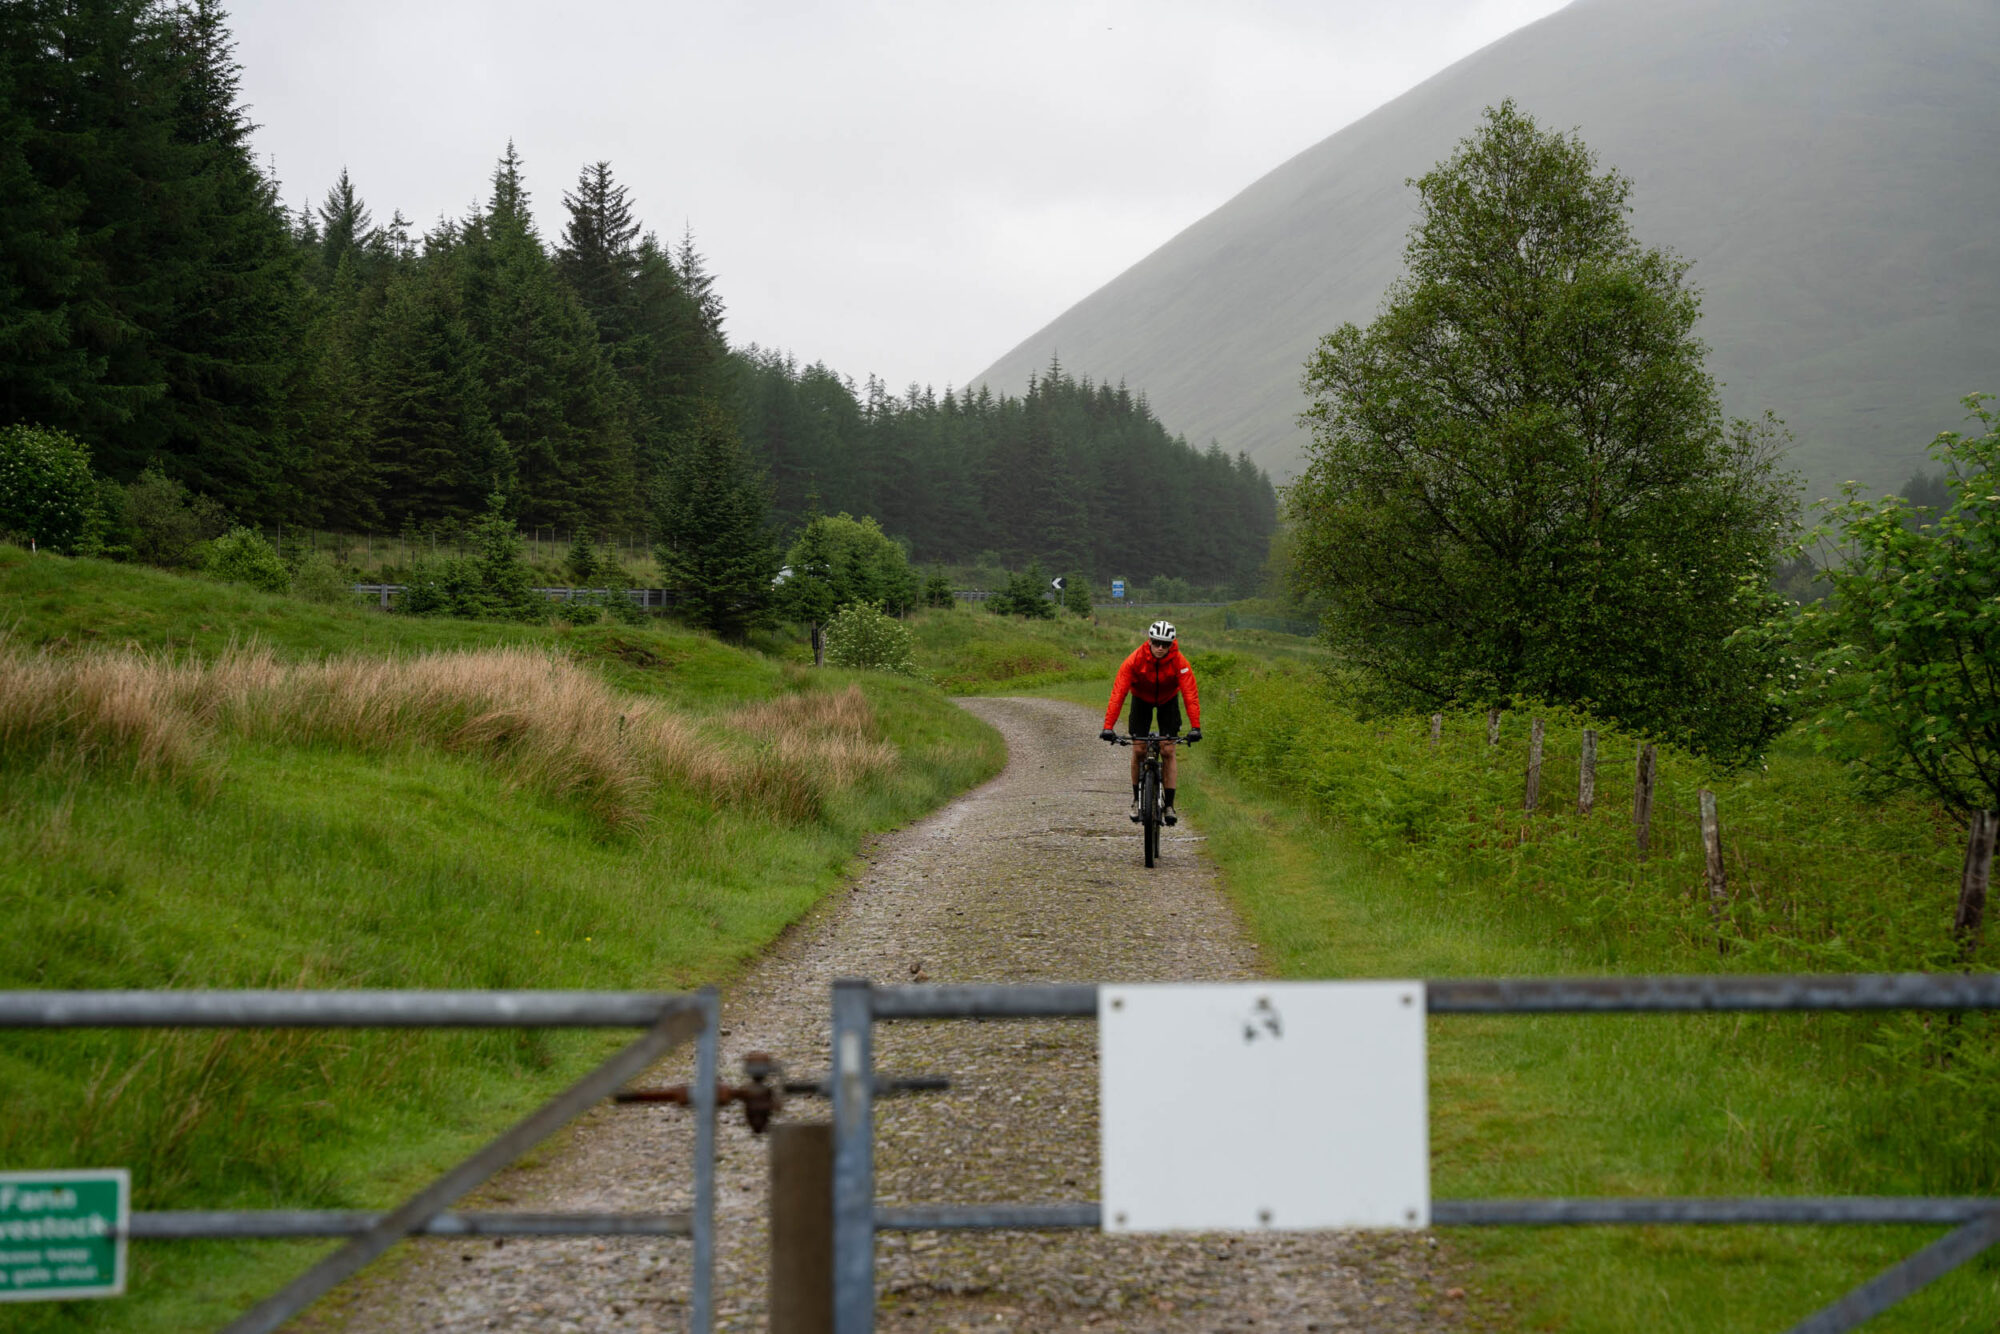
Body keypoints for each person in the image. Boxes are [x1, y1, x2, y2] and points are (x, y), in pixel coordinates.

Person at [1100, 620, 1202, 824]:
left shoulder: (1180, 662)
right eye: (1156, 643)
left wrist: (1195, 727)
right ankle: (1136, 800)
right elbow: (1119, 693)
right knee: (1138, 750)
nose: (1160, 648)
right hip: (1141, 701)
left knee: (1168, 750)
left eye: (1165, 644)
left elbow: (1190, 694)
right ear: (1149, 641)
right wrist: (1108, 727)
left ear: (1172, 644)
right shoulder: (1134, 660)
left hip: (1168, 701)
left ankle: (1170, 806)